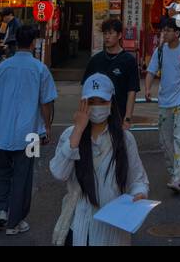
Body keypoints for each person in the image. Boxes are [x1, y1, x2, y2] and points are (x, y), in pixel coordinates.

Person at [49, 73, 149, 246]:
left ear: (111, 102)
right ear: (83, 103)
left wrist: (139, 194)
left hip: (113, 228)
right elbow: (59, 173)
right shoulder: (70, 135)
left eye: (102, 101)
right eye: (91, 101)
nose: (97, 107)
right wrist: (78, 131)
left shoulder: (125, 140)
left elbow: (137, 179)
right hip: (80, 225)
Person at [0, 25, 57, 235]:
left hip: (2, 129)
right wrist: (47, 127)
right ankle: (15, 221)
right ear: (33, 43)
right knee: (24, 174)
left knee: (3, 171)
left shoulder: (3, 67)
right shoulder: (40, 69)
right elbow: (46, 102)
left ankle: (1, 211)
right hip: (30, 132)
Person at [143, 15, 180, 194]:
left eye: (168, 30)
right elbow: (151, 71)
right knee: (165, 141)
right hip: (165, 102)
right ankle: (174, 172)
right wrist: (147, 88)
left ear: (177, 33)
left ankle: (178, 177)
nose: (164, 33)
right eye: (163, 30)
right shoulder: (160, 51)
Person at [83, 17, 139, 124]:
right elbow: (86, 90)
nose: (107, 37)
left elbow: (132, 91)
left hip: (118, 115)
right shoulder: (95, 60)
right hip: (95, 115)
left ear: (119, 35)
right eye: (105, 34)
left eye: (110, 33)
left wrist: (127, 118)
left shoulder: (129, 60)